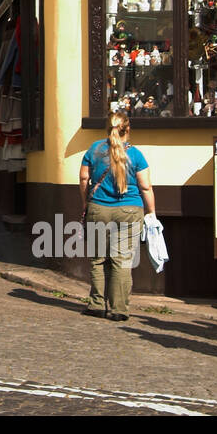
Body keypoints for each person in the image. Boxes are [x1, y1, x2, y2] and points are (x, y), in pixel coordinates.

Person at [78, 110, 156, 322]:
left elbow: (84, 178)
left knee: (98, 259)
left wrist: (86, 204)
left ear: (107, 128)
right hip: (129, 211)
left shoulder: (94, 149)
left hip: (99, 209)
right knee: (121, 260)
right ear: (127, 129)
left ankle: (96, 305)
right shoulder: (136, 155)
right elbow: (145, 186)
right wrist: (152, 213)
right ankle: (119, 308)